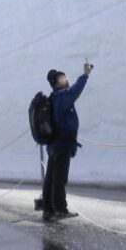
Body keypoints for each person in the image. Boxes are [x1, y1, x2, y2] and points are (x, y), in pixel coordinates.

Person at [41, 62, 93, 222]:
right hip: (62, 144)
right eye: (62, 78)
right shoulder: (62, 95)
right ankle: (60, 210)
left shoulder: (54, 97)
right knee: (59, 179)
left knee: (51, 178)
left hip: (53, 145)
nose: (65, 79)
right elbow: (75, 91)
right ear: (56, 83)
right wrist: (85, 75)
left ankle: (49, 209)